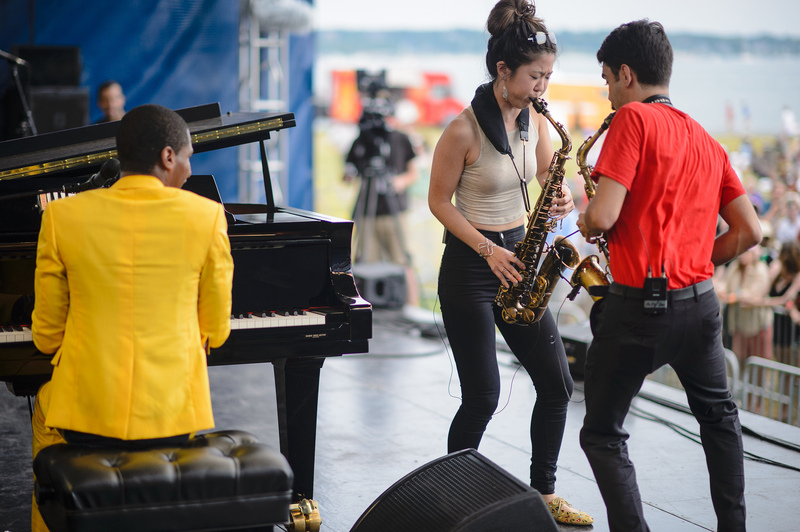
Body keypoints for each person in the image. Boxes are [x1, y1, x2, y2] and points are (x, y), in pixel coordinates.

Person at [576, 20, 761, 532]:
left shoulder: (632, 119)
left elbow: (604, 216)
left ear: (627, 74)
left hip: (639, 307)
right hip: (700, 304)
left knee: (602, 434)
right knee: (720, 420)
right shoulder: (707, 139)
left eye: (607, 80)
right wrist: (697, 261)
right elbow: (750, 231)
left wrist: (586, 218)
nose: (608, 93)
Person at [30, 104, 234, 531]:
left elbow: (46, 338)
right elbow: (217, 330)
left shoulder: (61, 218)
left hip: (86, 413)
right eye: (189, 156)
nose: (189, 168)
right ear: (168, 157)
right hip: (173, 412)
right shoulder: (207, 216)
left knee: (47, 408)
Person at [428, 0, 592, 525]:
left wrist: (559, 195)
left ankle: (544, 491)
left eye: (548, 76)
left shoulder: (533, 119)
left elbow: (545, 172)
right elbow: (438, 202)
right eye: (534, 76)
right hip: (471, 268)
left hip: (519, 258)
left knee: (558, 385)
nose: (542, 87)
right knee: (483, 396)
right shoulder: (462, 130)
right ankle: (452, 497)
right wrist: (487, 249)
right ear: (503, 70)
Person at [345, 92, 420, 307]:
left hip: (393, 210)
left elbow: (413, 173)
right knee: (366, 263)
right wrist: (351, 172)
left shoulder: (401, 139)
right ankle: (369, 311)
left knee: (402, 261)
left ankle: (410, 307)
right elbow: (347, 174)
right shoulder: (361, 140)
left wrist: (398, 182)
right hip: (367, 212)